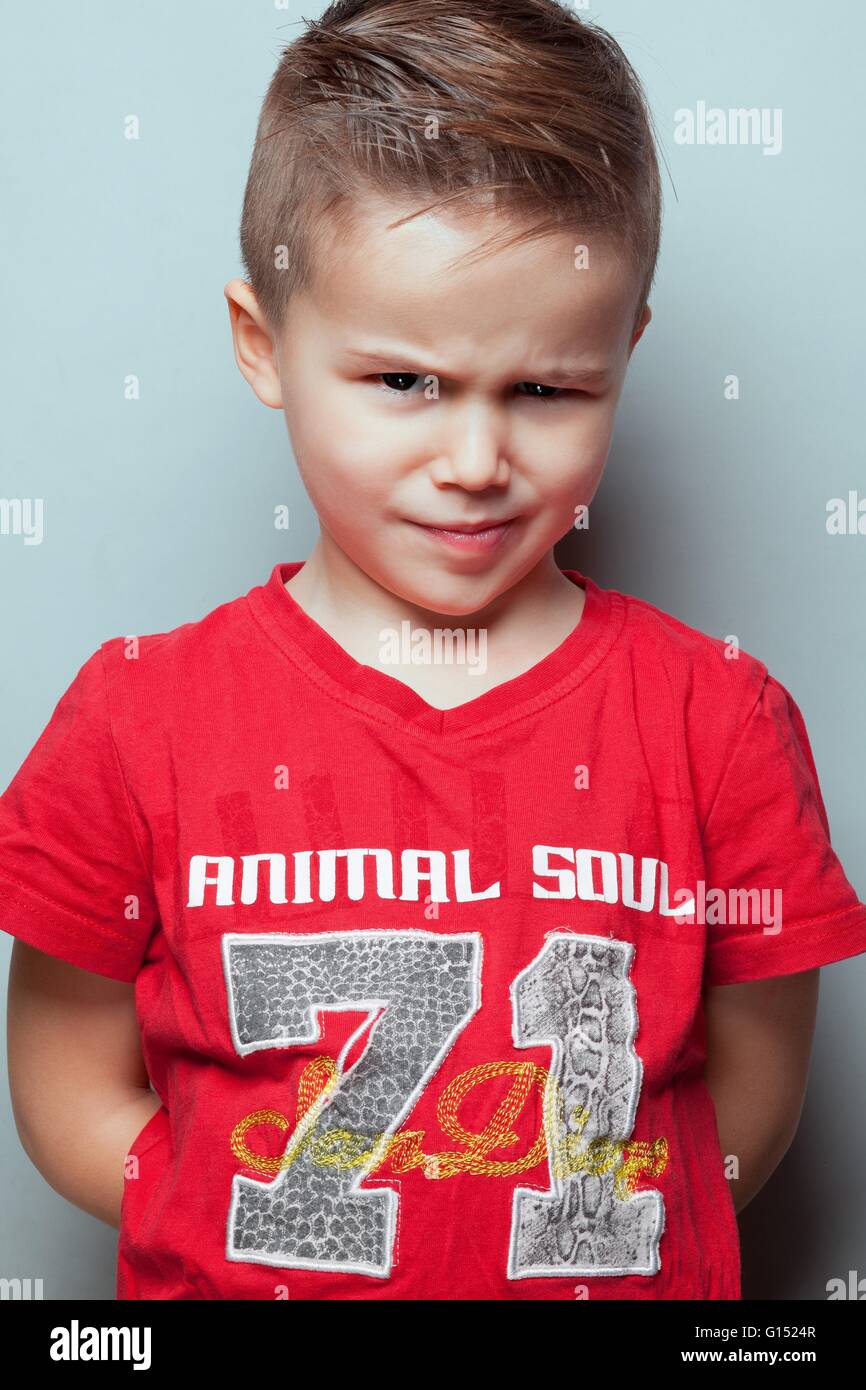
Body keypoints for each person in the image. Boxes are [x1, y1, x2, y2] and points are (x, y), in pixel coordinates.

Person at [3, 0, 865, 1302]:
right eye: (401, 381)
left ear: (620, 353)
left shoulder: (718, 718)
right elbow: (68, 1074)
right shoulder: (141, 717)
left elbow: (746, 1093)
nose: (472, 464)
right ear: (263, 345)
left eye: (545, 389)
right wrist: (244, 1212)